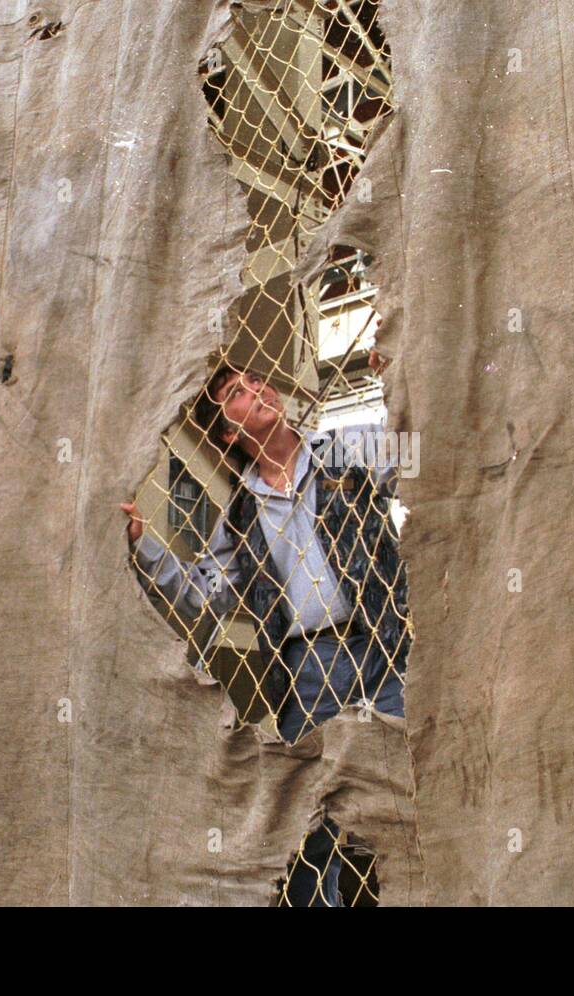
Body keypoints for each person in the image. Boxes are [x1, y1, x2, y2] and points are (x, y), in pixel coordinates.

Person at [121, 356, 411, 905]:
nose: (257, 388)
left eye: (257, 379)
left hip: (385, 647)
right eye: (237, 390)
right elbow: (202, 593)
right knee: (310, 817)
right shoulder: (240, 515)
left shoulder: (344, 451)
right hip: (307, 671)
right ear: (230, 430)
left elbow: (418, 444)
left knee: (410, 786)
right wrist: (145, 544)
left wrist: (400, 373)